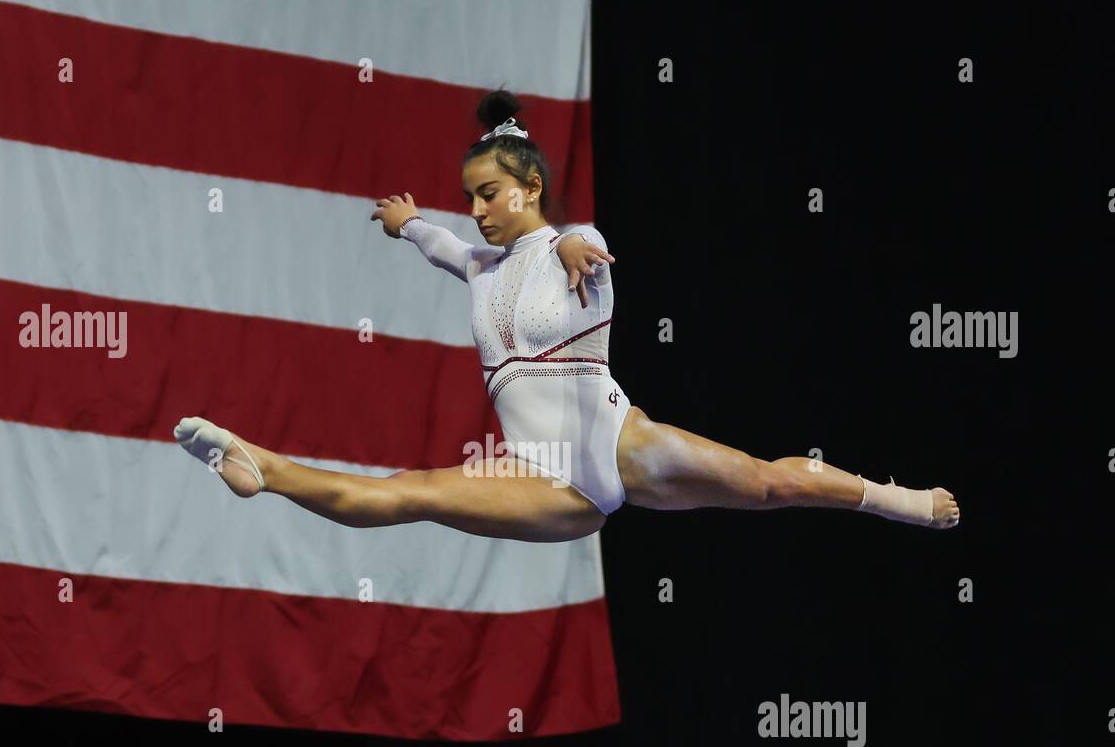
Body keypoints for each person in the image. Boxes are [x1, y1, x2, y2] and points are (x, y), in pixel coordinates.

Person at [176, 90, 959, 543]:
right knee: (410, 490)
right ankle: (263, 468)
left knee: (764, 483)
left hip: (622, 441)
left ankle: (898, 501)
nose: (478, 210)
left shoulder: (576, 246)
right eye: (471, 196)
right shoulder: (478, 266)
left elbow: (582, 240)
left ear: (530, 188)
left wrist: (580, 248)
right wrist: (406, 222)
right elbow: (438, 242)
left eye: (490, 193)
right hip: (546, 479)